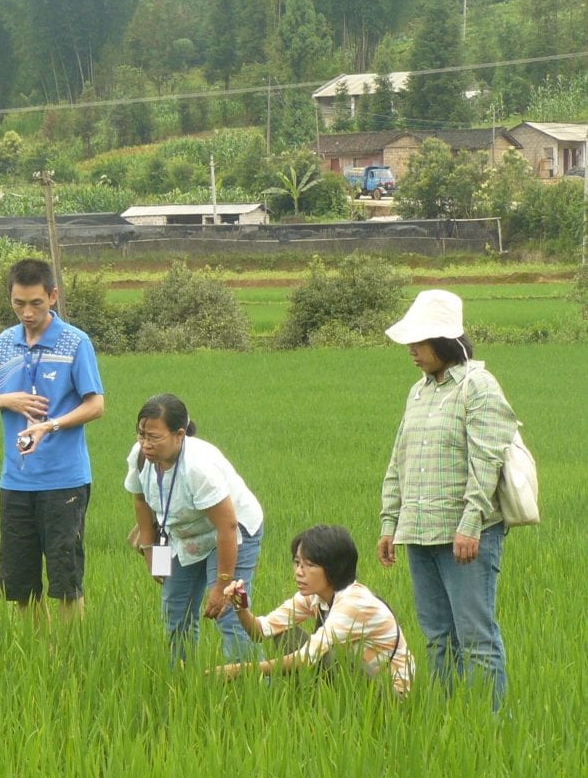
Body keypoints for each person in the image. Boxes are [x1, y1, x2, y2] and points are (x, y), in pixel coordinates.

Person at [378, 289, 519, 711]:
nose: (412, 351)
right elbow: (399, 460)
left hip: (465, 536)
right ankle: (448, 716)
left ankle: (489, 724)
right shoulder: (418, 392)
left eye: (419, 343)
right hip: (419, 533)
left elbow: (487, 460)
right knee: (438, 637)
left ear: (443, 341)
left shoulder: (479, 386)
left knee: (476, 637)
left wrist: (470, 524)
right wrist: (390, 522)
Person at [0, 258, 105, 622]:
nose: (27, 313)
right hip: (15, 481)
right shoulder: (5, 343)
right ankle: (38, 650)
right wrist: (9, 400)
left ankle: (69, 650)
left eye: (36, 303)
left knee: (66, 580)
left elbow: (96, 405)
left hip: (64, 481)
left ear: (53, 296)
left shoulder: (75, 342)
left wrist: (52, 425)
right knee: (20, 583)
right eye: (19, 303)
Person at [125, 394, 264, 664]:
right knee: (175, 609)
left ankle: (249, 680)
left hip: (233, 532)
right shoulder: (141, 456)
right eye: (141, 434)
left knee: (229, 613)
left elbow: (227, 526)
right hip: (186, 534)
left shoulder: (198, 468)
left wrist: (221, 586)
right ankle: (182, 676)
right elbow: (141, 500)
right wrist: (151, 552)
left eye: (154, 437)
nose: (145, 443)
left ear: (179, 435)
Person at [210, 525, 415, 695]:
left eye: (309, 565)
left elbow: (306, 657)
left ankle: (324, 701)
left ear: (334, 568)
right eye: (297, 563)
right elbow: (260, 632)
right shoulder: (314, 595)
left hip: (390, 692)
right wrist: (240, 607)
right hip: (357, 683)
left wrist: (241, 669)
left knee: (330, 654)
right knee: (284, 634)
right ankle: (313, 698)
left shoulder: (354, 604)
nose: (299, 572)